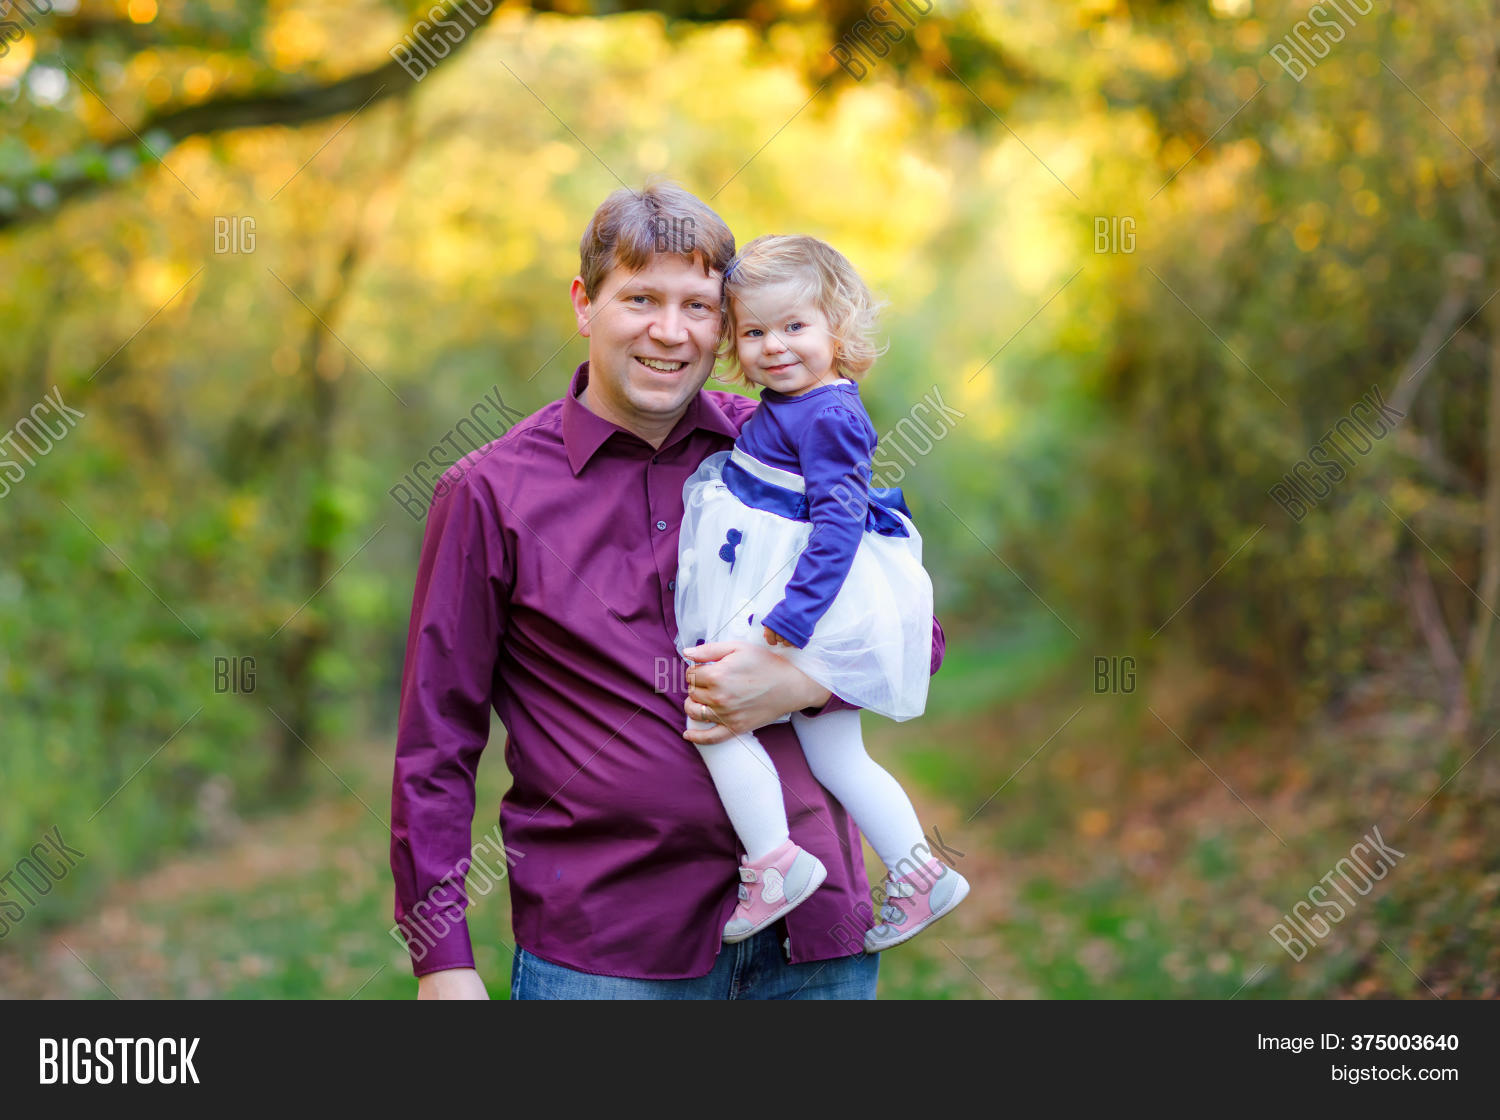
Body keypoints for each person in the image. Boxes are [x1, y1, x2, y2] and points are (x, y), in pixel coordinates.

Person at [389, 181, 946, 1000]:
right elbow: (436, 742)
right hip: (607, 949)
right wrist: (442, 962)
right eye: (641, 298)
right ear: (585, 303)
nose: (670, 332)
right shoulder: (489, 494)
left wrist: (799, 682)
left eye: (697, 305)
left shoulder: (784, 447)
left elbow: (915, 638)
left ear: (725, 324)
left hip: (814, 941)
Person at [674, 235, 969, 952]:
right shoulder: (790, 403)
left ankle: (775, 862)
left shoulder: (831, 414)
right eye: (754, 332)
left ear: (838, 329)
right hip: (780, 577)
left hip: (798, 591)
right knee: (838, 757)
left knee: (714, 711)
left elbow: (839, 523)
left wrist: (793, 621)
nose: (774, 346)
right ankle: (918, 871)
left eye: (794, 327)